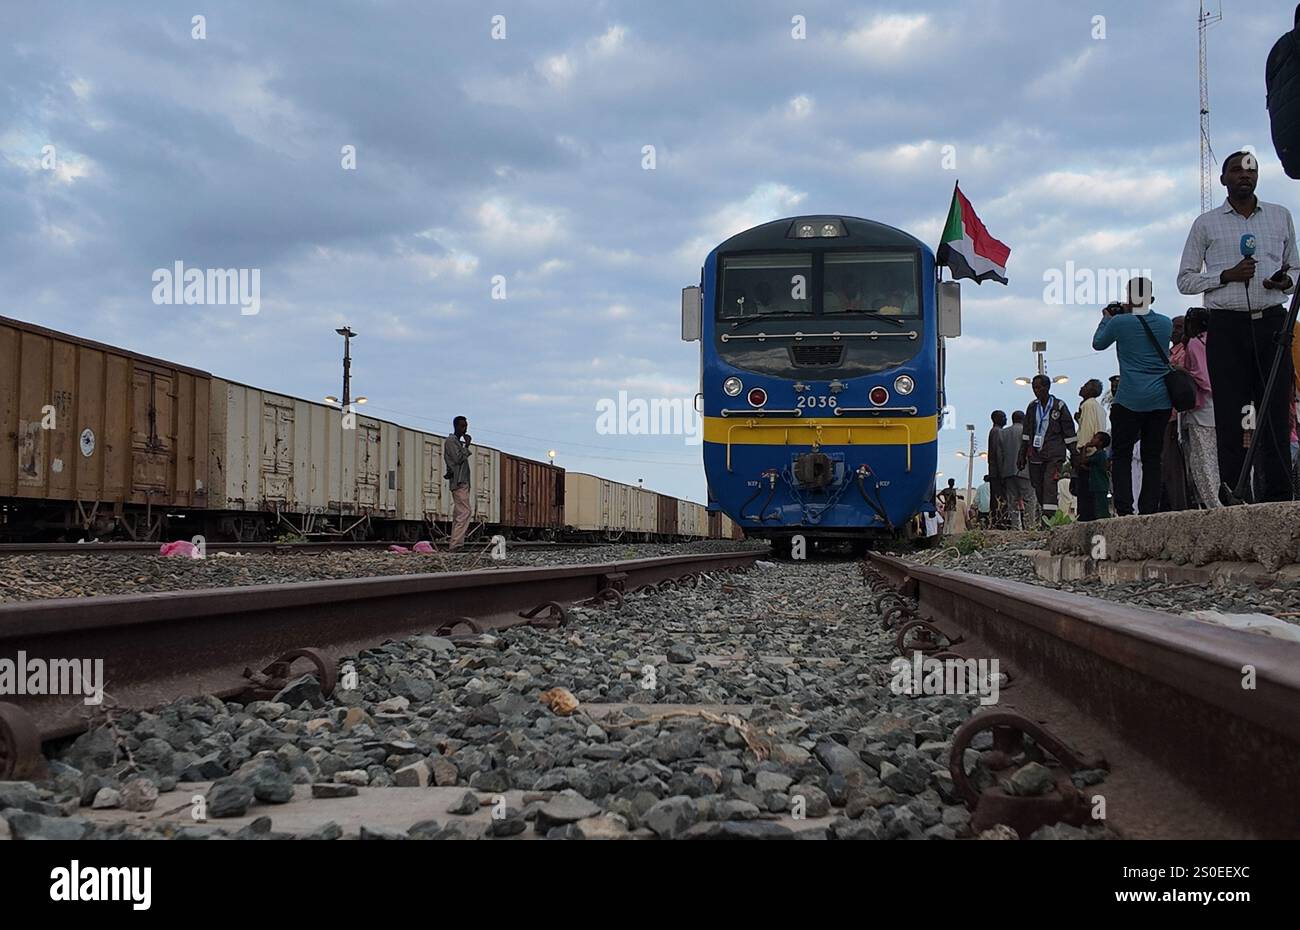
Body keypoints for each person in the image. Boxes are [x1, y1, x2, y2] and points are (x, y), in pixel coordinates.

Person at [1177, 150, 1298, 502]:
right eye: (1236, 170)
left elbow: (1296, 268)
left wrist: (1284, 282)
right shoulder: (1206, 224)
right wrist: (1225, 276)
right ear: (1224, 179)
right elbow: (1185, 280)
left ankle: (1277, 494)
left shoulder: (1280, 216)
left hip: (1272, 325)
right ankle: (1234, 490)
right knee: (1231, 412)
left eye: (1251, 170)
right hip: (1227, 327)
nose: (1245, 175)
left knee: (1275, 408)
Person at [1092, 277, 1173, 515]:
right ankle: (1149, 508)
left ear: (1129, 297)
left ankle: (1125, 508)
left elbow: (1098, 343)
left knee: (1123, 456)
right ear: (1152, 298)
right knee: (1152, 457)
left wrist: (1107, 317)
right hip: (1160, 399)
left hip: (1129, 399)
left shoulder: (1119, 323)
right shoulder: (1165, 323)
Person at [1017, 375, 1078, 527]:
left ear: (1047, 387)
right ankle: (1045, 514)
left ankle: (1049, 521)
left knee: (1050, 484)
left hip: (1054, 454)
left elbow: (1069, 432)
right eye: (1034, 388)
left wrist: (1074, 454)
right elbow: (1026, 433)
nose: (1036, 391)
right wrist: (1022, 454)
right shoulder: (1032, 407)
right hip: (1036, 454)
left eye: (1039, 387)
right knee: (1038, 486)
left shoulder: (1059, 406)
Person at [1180, 308, 1220, 509]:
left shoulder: (1195, 343)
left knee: (1202, 460)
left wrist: (1182, 371)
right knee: (1216, 457)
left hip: (1201, 408)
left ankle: (1212, 503)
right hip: (1222, 407)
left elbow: (1203, 377)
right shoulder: (1219, 340)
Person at [1160, 315, 1190, 511]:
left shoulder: (1186, 353)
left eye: (1179, 327)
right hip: (1166, 414)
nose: (1174, 331)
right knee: (1166, 465)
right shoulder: (1169, 353)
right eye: (1173, 327)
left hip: (1180, 416)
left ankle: (1181, 506)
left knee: (1176, 466)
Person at [1073, 380, 1107, 521]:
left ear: (1092, 390)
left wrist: (1081, 455)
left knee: (1085, 498)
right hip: (1098, 452)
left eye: (1085, 385)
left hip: (1088, 456)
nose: (1081, 387)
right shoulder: (1100, 408)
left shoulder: (1087, 405)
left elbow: (1087, 432)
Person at [444, 416, 473, 550]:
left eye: (466, 426)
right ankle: (456, 544)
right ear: (455, 426)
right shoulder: (451, 441)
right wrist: (466, 446)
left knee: (460, 513)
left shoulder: (456, 442)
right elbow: (457, 458)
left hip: (461, 481)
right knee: (465, 512)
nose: (465, 429)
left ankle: (455, 543)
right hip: (459, 481)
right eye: (462, 426)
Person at [1004, 410, 1036, 529]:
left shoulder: (1004, 433)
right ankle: (1029, 526)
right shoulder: (1026, 432)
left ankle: (1015, 526)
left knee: (1012, 500)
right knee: (1029, 499)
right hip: (1025, 470)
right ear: (1023, 419)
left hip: (1008, 471)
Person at [1079, 432, 1112, 520]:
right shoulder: (1100, 454)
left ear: (1100, 442)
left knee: (1101, 510)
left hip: (1099, 485)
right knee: (1098, 508)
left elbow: (1083, 461)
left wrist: (1085, 447)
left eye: (1095, 438)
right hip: (1098, 485)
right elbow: (1095, 468)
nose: (1092, 439)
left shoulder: (1099, 454)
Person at [987, 411, 1008, 525]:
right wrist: (1002, 472)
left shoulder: (994, 431)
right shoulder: (998, 432)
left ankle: (996, 520)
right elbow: (998, 453)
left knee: (996, 498)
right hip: (997, 472)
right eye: (1004, 417)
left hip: (994, 471)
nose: (1006, 419)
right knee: (999, 498)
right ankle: (999, 521)